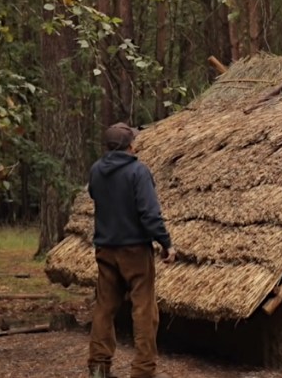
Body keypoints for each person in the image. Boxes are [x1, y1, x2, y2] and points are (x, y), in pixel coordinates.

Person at [87, 122, 176, 378]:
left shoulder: (96, 171)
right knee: (144, 311)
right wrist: (166, 242)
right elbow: (149, 214)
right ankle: (143, 371)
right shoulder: (138, 172)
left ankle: (98, 366)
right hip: (135, 250)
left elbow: (95, 195)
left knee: (104, 308)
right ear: (130, 146)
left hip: (105, 249)